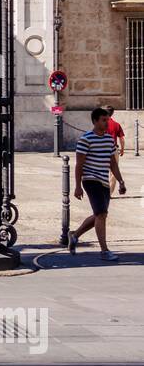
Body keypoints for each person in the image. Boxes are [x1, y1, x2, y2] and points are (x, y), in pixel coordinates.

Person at [68, 106, 126, 261]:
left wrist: (120, 181)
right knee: (101, 214)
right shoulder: (85, 139)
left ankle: (74, 235)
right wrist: (78, 186)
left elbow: (112, 163)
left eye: (107, 119)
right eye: (104, 120)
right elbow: (79, 165)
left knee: (100, 214)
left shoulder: (108, 139)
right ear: (95, 121)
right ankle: (104, 251)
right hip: (90, 180)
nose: (107, 122)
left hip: (104, 182)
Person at [105, 106, 126, 193]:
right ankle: (109, 192)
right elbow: (121, 139)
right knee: (113, 172)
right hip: (113, 150)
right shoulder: (116, 125)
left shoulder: (101, 124)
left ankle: (101, 191)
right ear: (112, 113)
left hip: (102, 150)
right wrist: (122, 149)